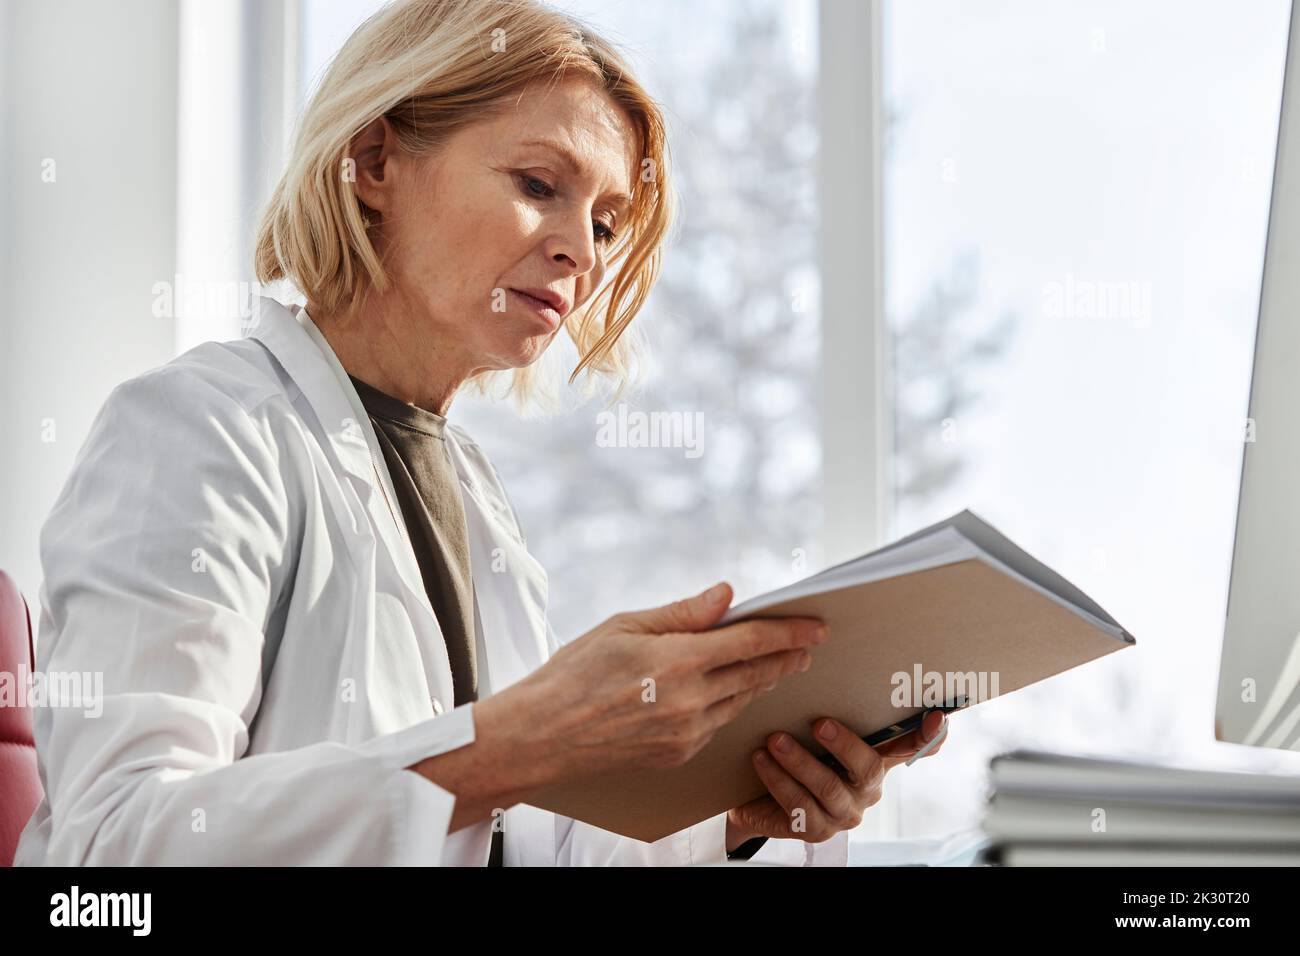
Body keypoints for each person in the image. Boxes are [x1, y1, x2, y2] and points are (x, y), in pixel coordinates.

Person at [15, 0, 945, 867]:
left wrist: (735, 815)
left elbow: (520, 847)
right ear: (373, 162)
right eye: (540, 183)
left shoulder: (468, 491)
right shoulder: (198, 430)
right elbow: (109, 855)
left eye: (608, 223)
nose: (582, 248)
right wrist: (518, 741)